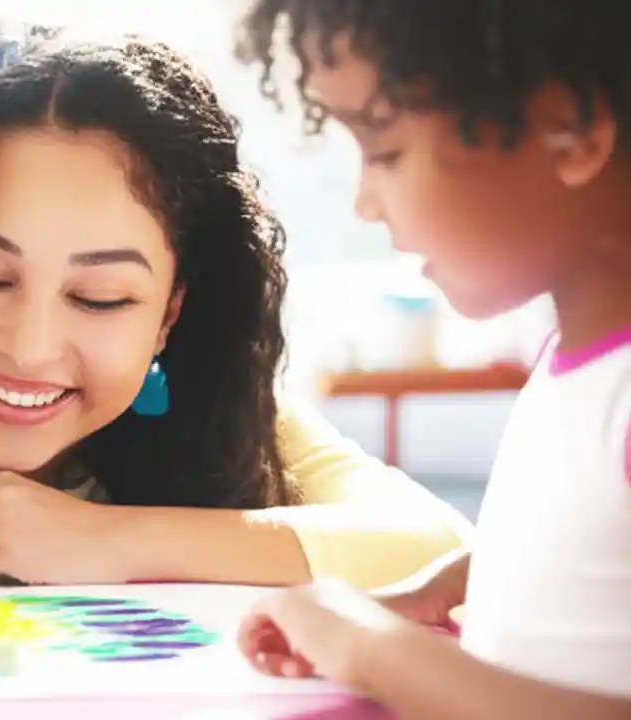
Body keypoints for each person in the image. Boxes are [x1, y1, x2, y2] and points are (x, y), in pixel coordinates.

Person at [0, 38, 471, 590]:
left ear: (169, 314)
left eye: (100, 298)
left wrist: (114, 539)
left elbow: (441, 545)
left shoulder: (215, 412)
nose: (30, 348)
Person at [233, 1, 631, 715]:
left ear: (568, 130)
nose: (365, 203)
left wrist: (373, 650)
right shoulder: (579, 362)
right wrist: (447, 585)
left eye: (385, 152)